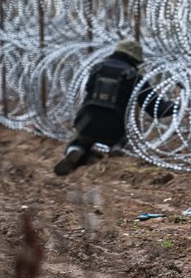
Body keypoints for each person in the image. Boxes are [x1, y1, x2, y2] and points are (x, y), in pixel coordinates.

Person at [53, 39, 176, 176]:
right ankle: (113, 149)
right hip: (114, 125)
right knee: (118, 137)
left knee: (80, 139)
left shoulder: (97, 69)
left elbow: (87, 92)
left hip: (86, 120)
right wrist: (179, 106)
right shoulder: (134, 76)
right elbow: (157, 109)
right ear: (133, 59)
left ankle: (76, 149)